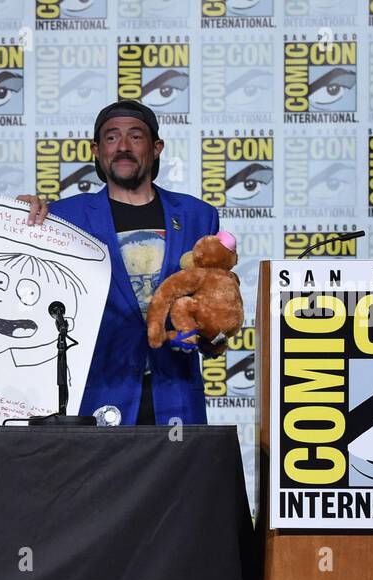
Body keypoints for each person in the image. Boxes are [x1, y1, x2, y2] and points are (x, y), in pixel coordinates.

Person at [17, 99, 222, 425]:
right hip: (98, 393)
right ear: (96, 150)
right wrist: (18, 218)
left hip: (176, 396)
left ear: (156, 148)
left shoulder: (199, 216)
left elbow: (215, 310)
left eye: (136, 137)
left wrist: (215, 335)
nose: (123, 147)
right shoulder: (63, 217)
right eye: (112, 138)